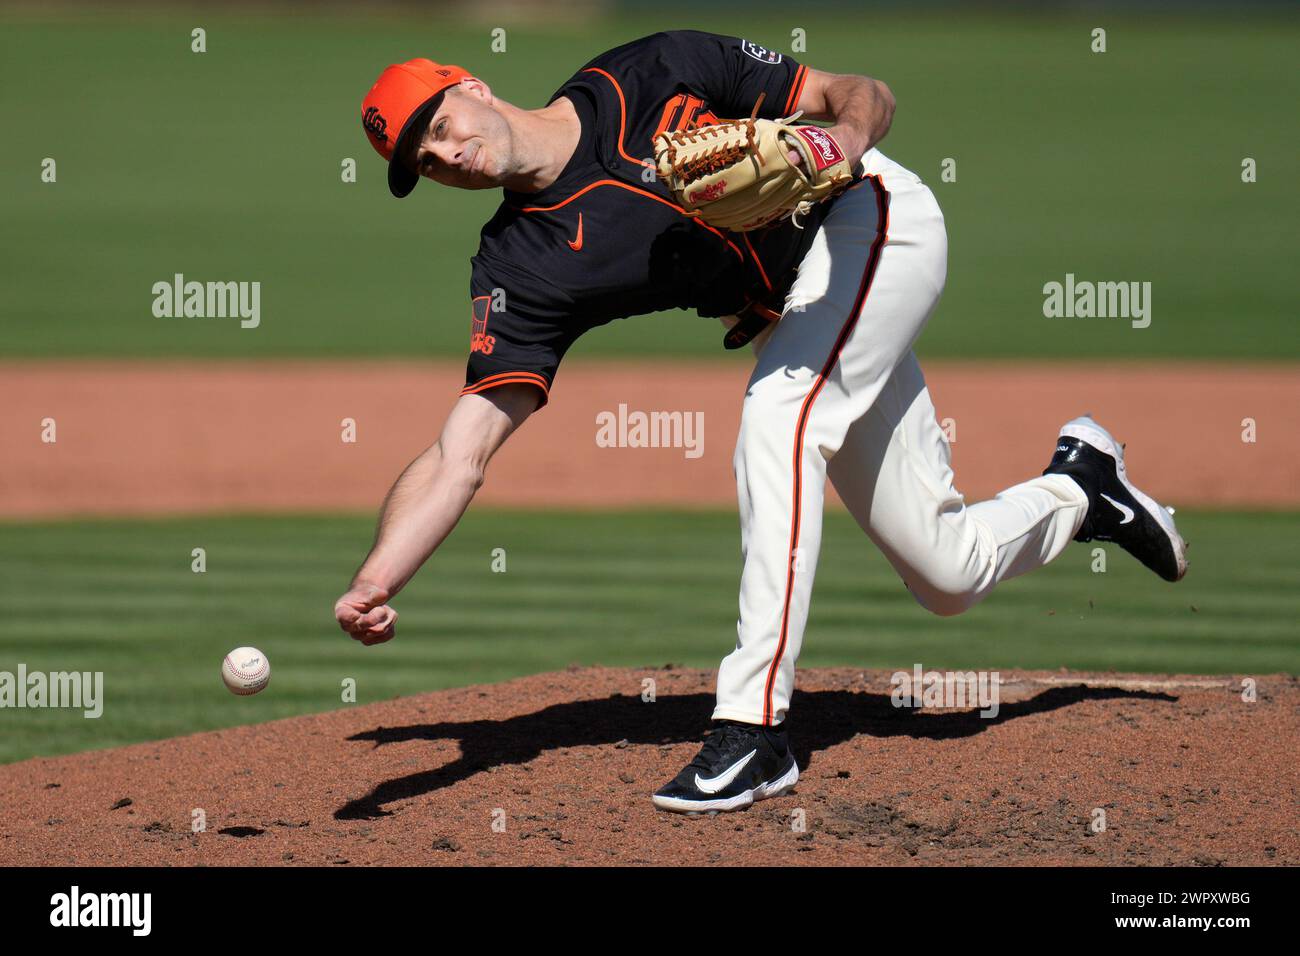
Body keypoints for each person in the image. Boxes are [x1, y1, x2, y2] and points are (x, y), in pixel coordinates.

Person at [338, 31, 1187, 815]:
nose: (449, 154)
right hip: (799, 314)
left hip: (872, 219)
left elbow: (861, 90)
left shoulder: (646, 70)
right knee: (947, 572)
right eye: (426, 160)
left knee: (778, 418)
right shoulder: (518, 266)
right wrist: (378, 578)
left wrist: (838, 143)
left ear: (474, 86)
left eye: (442, 124)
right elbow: (463, 449)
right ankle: (1082, 489)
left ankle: (752, 730)